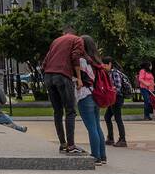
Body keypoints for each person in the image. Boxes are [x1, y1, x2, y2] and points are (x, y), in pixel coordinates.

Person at [41, 26, 86, 154]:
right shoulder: (77, 40)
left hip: (49, 77)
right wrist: (78, 78)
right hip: (62, 75)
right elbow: (75, 57)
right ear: (74, 33)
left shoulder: (56, 41)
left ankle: (63, 143)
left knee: (57, 112)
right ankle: (71, 146)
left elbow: (45, 62)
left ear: (63, 33)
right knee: (70, 110)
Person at [75, 36, 108, 165]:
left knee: (91, 127)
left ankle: (95, 156)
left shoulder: (82, 61)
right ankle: (102, 155)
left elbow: (79, 78)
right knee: (96, 126)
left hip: (85, 95)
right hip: (95, 95)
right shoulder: (97, 61)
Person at [104, 62, 129, 147]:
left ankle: (122, 139)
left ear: (110, 64)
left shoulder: (115, 73)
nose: (104, 67)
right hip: (114, 98)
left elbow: (118, 87)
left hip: (117, 98)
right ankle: (110, 138)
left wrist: (110, 91)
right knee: (107, 116)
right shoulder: (110, 73)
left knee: (118, 118)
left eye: (105, 65)